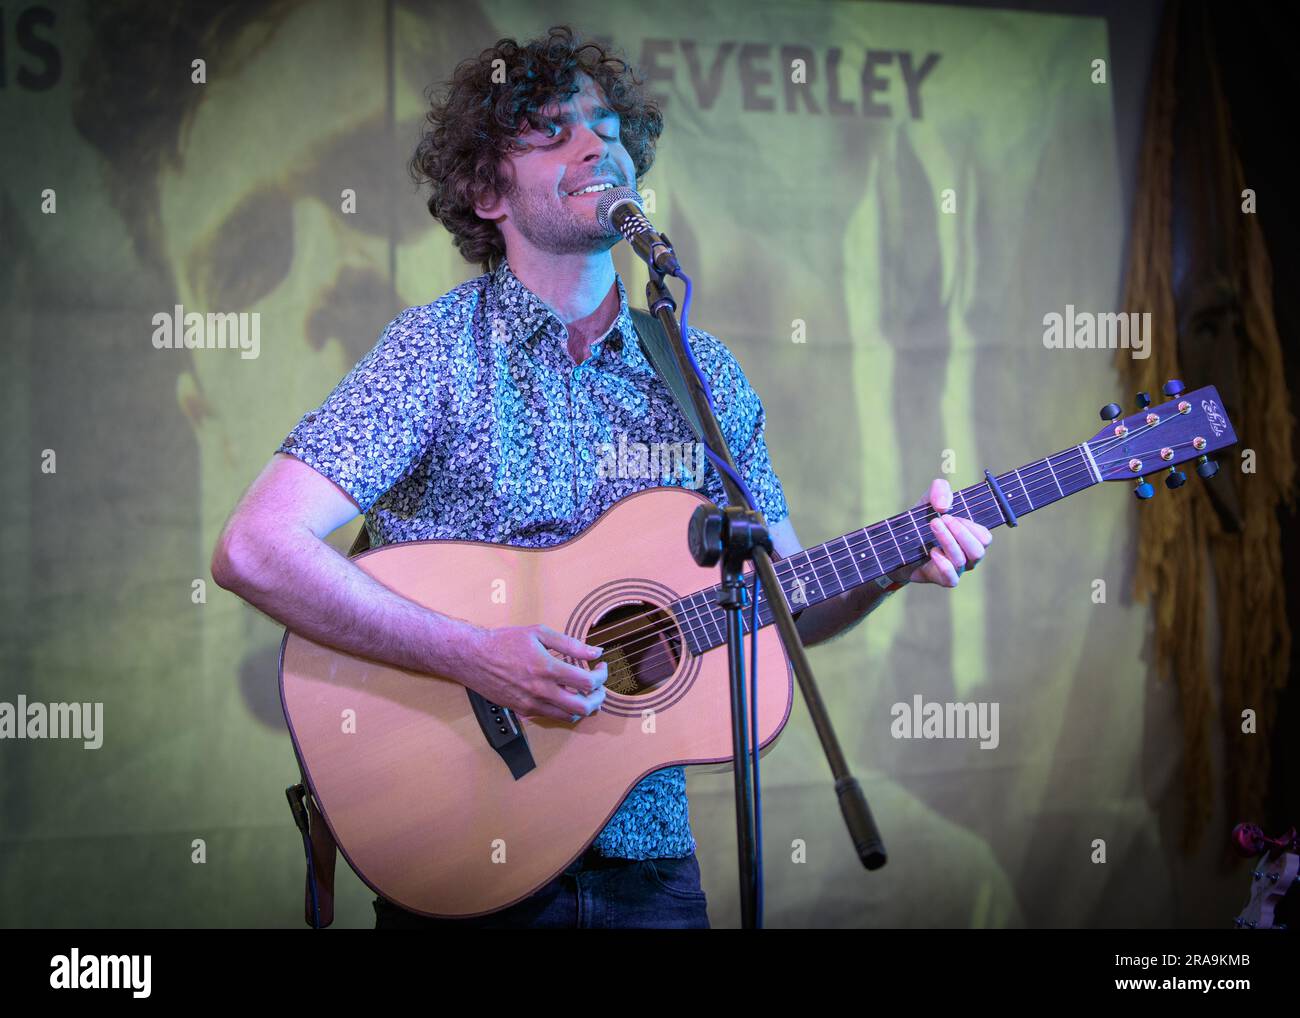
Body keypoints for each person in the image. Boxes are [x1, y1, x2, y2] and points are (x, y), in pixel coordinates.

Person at [210, 24, 993, 929]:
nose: (596, 144)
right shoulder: (435, 353)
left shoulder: (702, 377)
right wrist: (475, 656)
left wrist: (896, 564)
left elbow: (787, 600)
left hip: (650, 869)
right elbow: (254, 548)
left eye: (607, 125)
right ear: (483, 189)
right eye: (549, 129)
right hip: (461, 849)